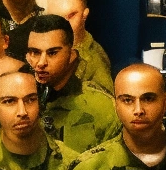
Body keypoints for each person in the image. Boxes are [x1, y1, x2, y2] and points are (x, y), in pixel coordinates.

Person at [23, 11, 121, 151]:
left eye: (52, 53)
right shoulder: (24, 97)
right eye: (35, 52)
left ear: (71, 53)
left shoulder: (99, 105)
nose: (41, 62)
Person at [46, 0, 115, 94]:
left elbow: (104, 106)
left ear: (84, 15)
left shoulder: (93, 62)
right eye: (55, 17)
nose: (63, 24)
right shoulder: (46, 46)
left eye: (71, 16)